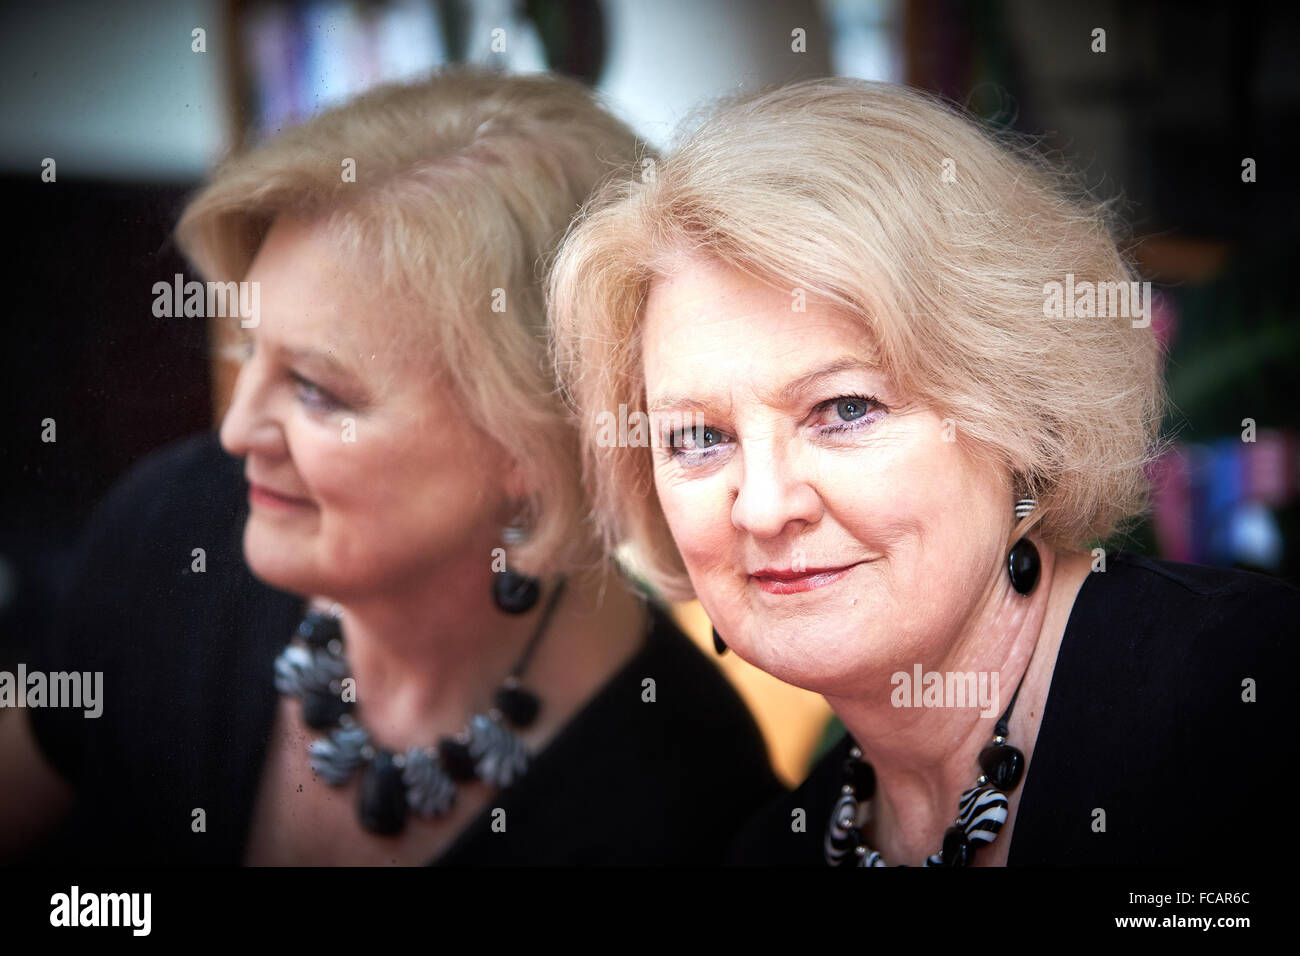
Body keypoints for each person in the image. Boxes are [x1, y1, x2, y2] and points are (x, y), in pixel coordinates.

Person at [0, 69, 782, 865]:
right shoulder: (174, 529)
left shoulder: (691, 801)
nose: (237, 432)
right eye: (247, 352)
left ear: (534, 438)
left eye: (317, 391)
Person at [547, 77, 1298, 866]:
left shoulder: (1249, 702)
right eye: (699, 436)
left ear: (1018, 411)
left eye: (844, 411)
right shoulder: (773, 852)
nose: (764, 508)